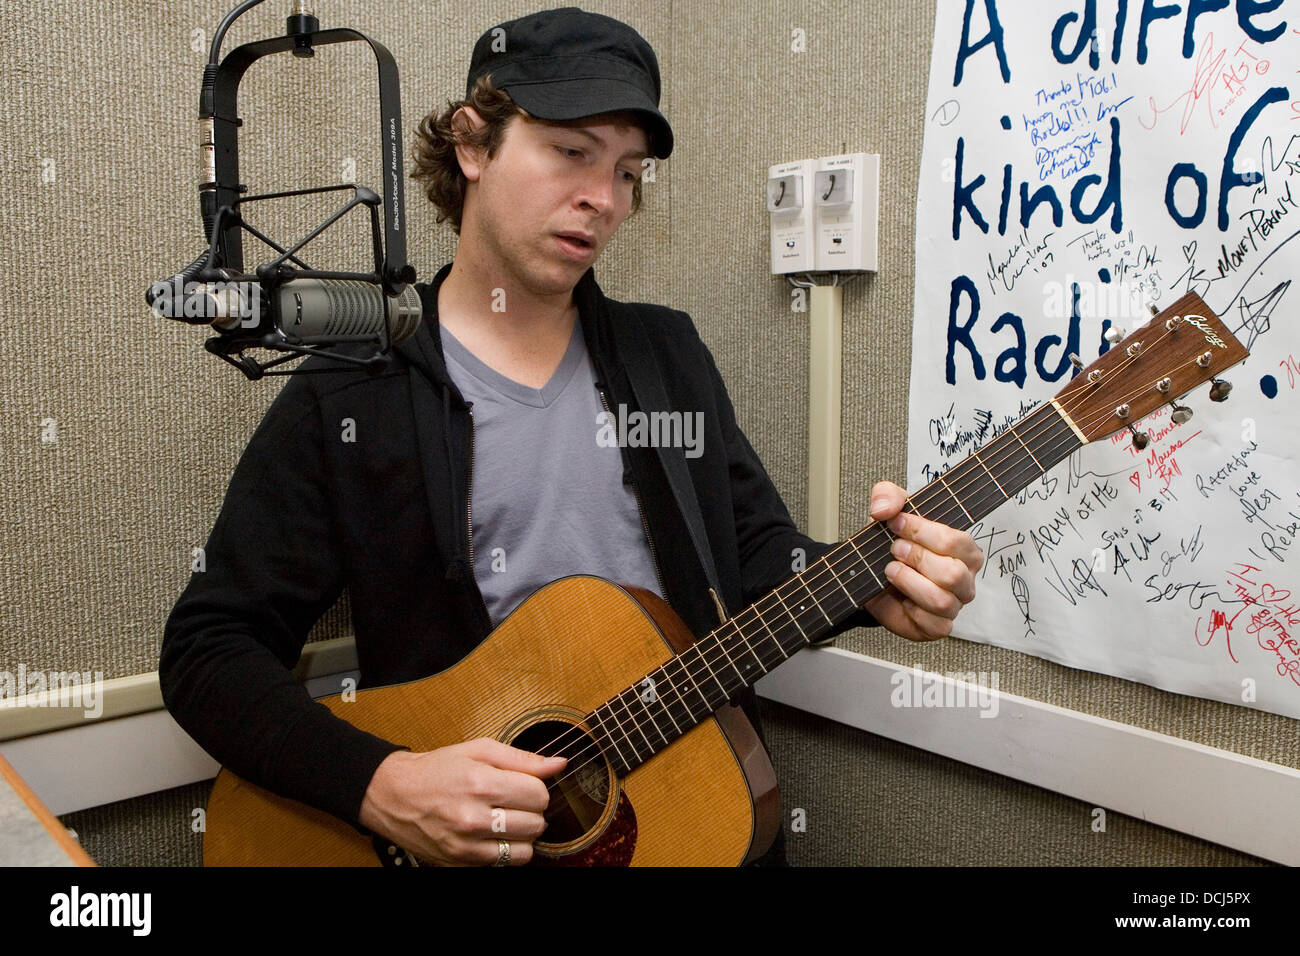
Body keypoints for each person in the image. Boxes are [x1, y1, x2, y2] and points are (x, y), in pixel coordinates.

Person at [160, 6, 983, 867]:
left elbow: (751, 558)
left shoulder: (664, 355)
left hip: (685, 817)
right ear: (472, 145)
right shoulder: (359, 384)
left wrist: (872, 584)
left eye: (628, 172)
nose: (605, 199)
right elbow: (208, 651)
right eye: (571, 152)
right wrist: (385, 784)